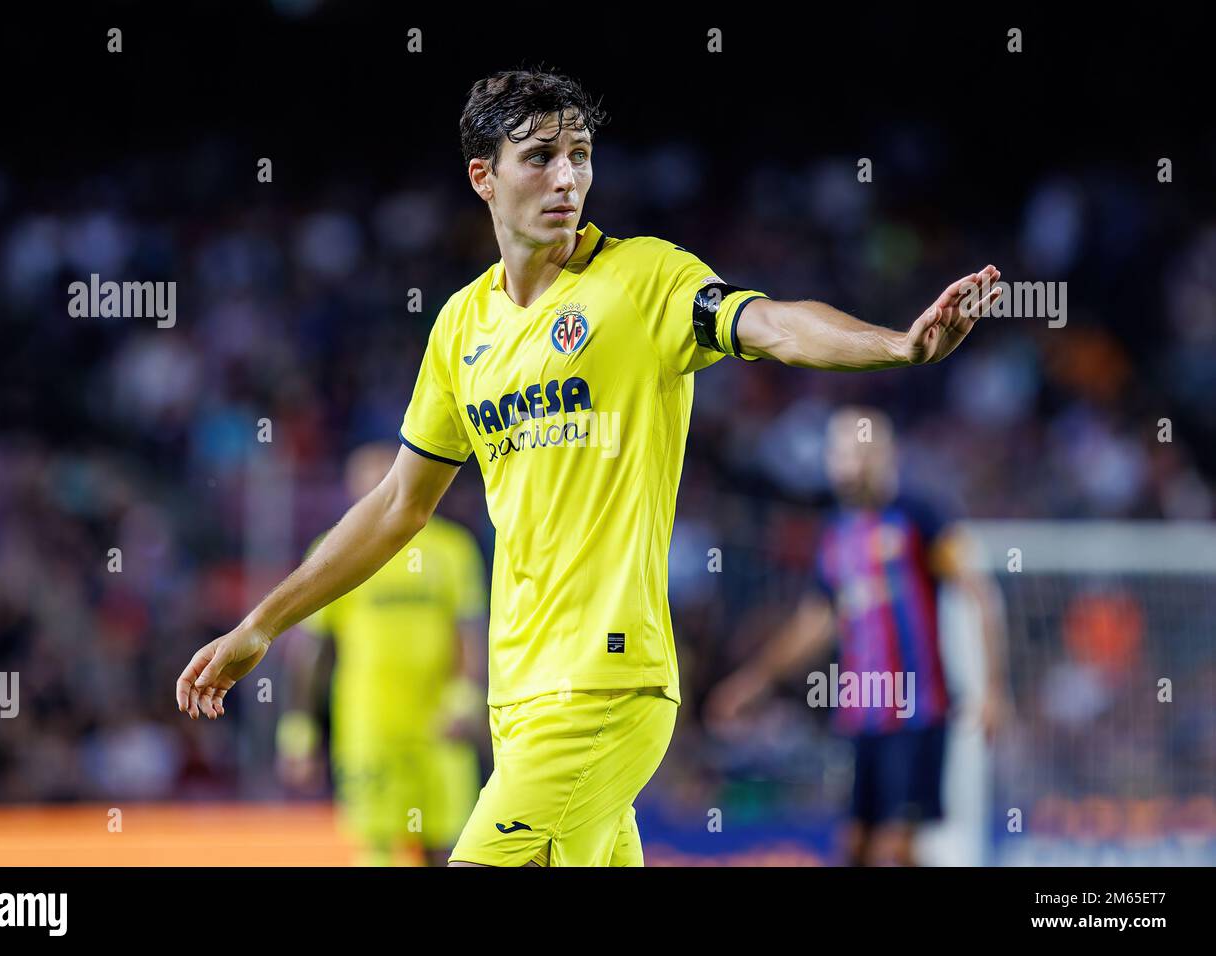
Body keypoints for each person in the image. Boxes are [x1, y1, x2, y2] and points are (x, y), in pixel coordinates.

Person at [175, 68, 1003, 867]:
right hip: (517, 697)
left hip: (606, 684)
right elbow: (398, 505)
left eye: (579, 155)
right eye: (540, 157)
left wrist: (897, 345)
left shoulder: (645, 280)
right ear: (483, 177)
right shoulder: (461, 328)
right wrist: (263, 624)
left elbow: (773, 324)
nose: (567, 177)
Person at [706, 406, 1010, 865]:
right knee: (856, 846)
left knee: (897, 846)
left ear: (885, 454)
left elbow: (979, 594)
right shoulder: (836, 533)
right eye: (840, 450)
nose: (848, 461)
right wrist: (754, 681)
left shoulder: (920, 516)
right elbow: (817, 621)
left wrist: (994, 689)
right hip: (861, 713)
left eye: (859, 449)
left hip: (917, 711)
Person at [276, 443, 487, 866]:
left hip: (436, 722)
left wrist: (464, 698)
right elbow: (314, 648)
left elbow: (468, 633)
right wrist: (300, 727)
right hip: (368, 725)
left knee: (447, 844)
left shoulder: (452, 550)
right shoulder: (333, 550)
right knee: (376, 846)